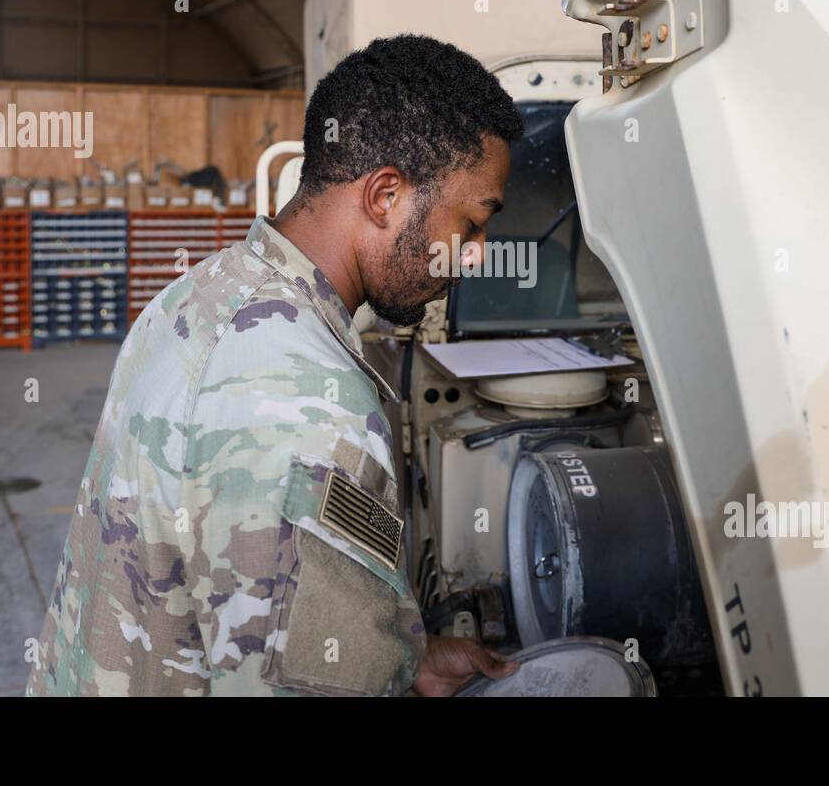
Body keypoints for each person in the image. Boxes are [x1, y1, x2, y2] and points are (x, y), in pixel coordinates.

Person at [28, 34, 524, 696]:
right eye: (473, 222)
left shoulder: (197, 296)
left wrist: (408, 657)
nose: (476, 256)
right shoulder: (314, 411)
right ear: (385, 196)